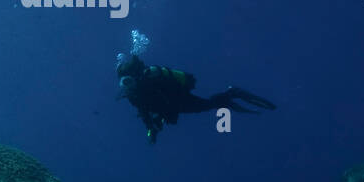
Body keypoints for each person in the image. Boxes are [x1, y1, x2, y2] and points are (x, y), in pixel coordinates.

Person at [115, 54, 276, 143]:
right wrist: (151, 128)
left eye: (128, 81)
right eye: (124, 83)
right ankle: (229, 96)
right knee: (208, 105)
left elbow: (163, 99)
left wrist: (158, 119)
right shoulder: (132, 95)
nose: (127, 86)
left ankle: (232, 93)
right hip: (173, 107)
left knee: (207, 105)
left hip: (179, 99)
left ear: (134, 77)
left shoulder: (149, 79)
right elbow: (144, 111)